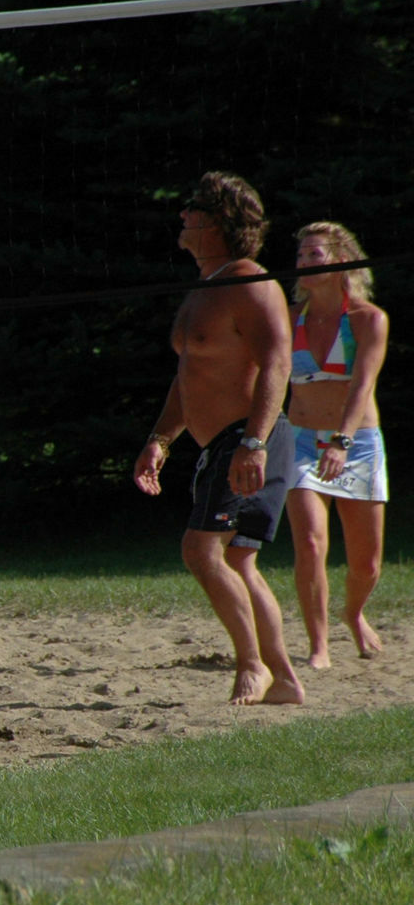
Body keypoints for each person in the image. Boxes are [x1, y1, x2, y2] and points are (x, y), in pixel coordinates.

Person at [134, 172, 305, 706]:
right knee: (235, 562)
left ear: (219, 223)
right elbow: (189, 379)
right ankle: (285, 680)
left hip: (249, 436)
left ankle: (251, 664)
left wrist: (253, 444)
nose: (182, 217)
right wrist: (161, 439)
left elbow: (278, 363)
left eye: (193, 210)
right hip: (221, 443)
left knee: (201, 550)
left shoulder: (250, 282)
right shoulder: (204, 290)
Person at [284, 221, 389, 667]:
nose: (305, 263)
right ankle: (318, 647)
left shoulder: (368, 319)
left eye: (315, 255)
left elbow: (362, 386)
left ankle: (354, 612)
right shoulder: (289, 319)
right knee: (310, 544)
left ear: (342, 260)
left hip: (357, 443)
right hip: (302, 441)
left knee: (366, 564)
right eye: (302, 255)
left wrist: (342, 442)